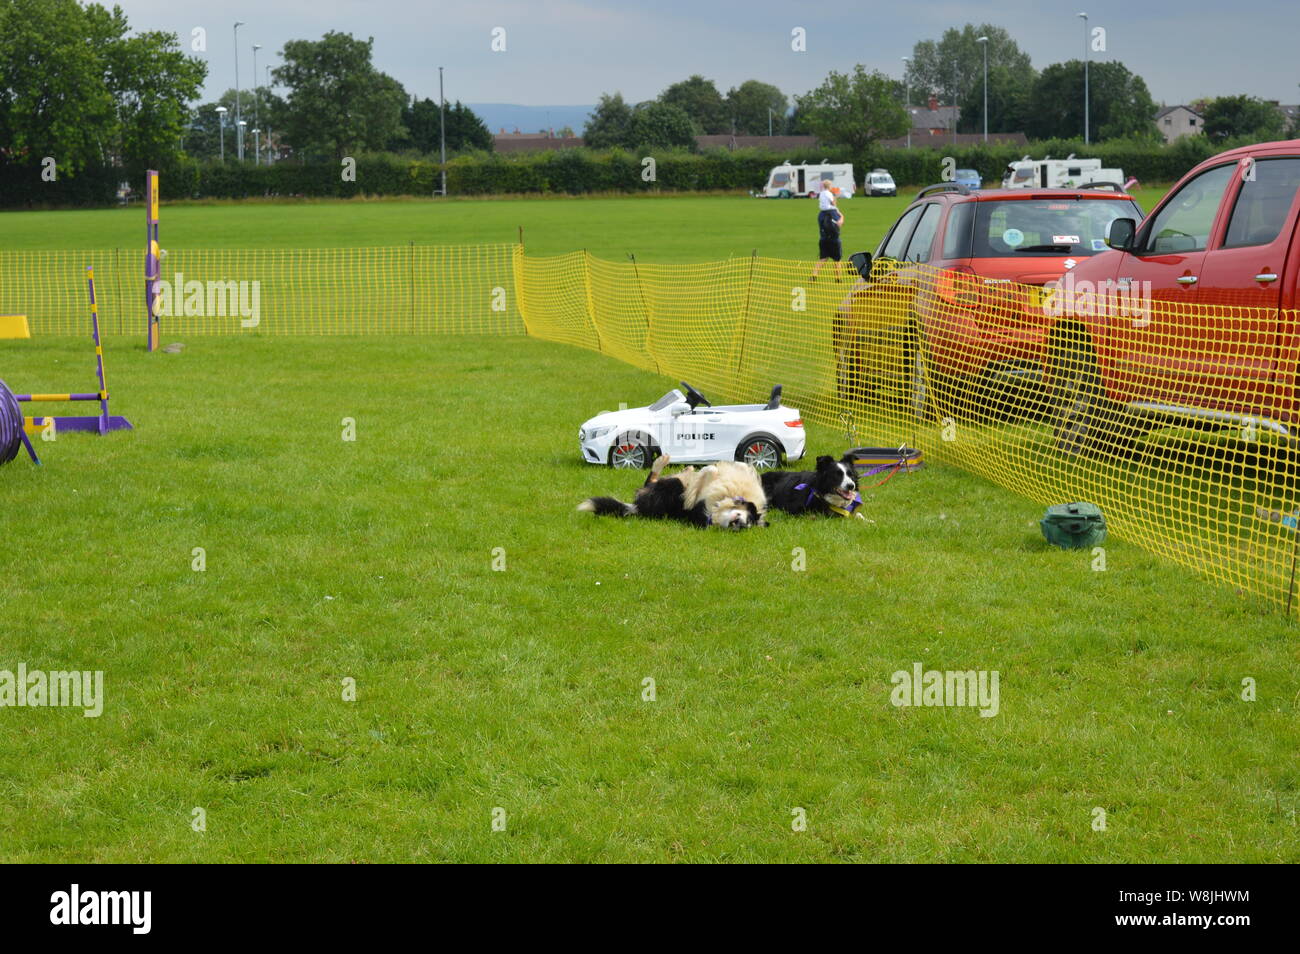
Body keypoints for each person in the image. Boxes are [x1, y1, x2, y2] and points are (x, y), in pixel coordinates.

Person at [811, 179, 845, 280]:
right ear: (829, 186)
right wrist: (842, 216)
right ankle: (838, 278)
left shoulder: (820, 214)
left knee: (823, 258)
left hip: (823, 239)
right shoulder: (833, 212)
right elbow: (839, 223)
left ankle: (814, 274)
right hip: (834, 239)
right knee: (837, 259)